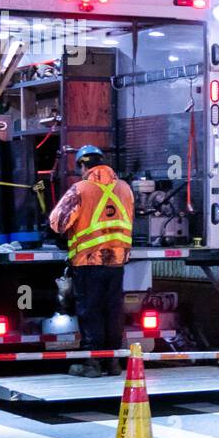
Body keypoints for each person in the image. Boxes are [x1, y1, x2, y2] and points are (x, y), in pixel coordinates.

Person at [47, 146, 134, 377]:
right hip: (117, 262)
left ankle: (92, 363)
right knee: (113, 312)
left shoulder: (80, 189)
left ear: (83, 165)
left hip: (88, 261)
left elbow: (57, 222)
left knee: (91, 312)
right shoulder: (125, 188)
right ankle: (113, 363)